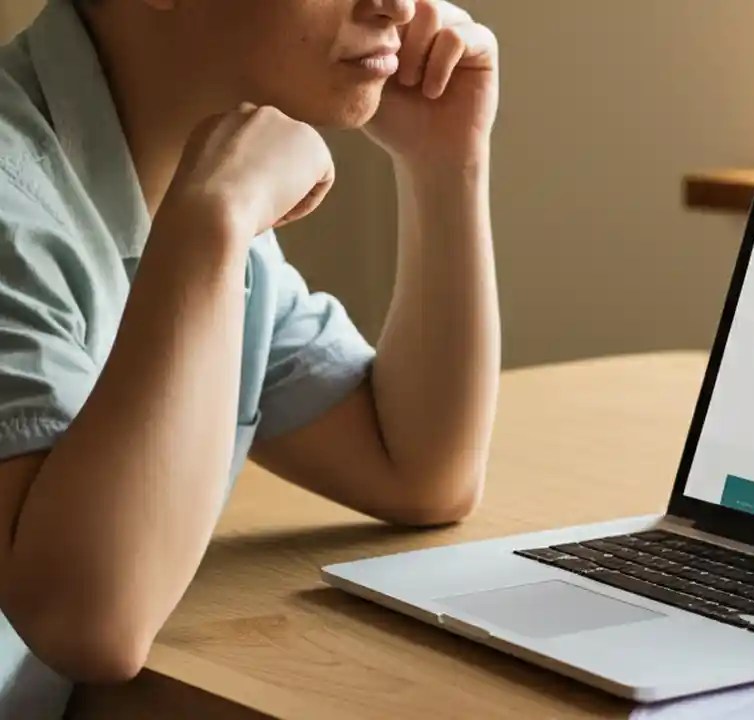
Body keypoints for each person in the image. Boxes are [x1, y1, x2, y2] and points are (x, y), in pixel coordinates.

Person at [0, 0, 501, 715]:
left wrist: (445, 163)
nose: (398, 5)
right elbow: (87, 625)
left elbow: (417, 470)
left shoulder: (203, 205)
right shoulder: (21, 206)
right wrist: (214, 219)